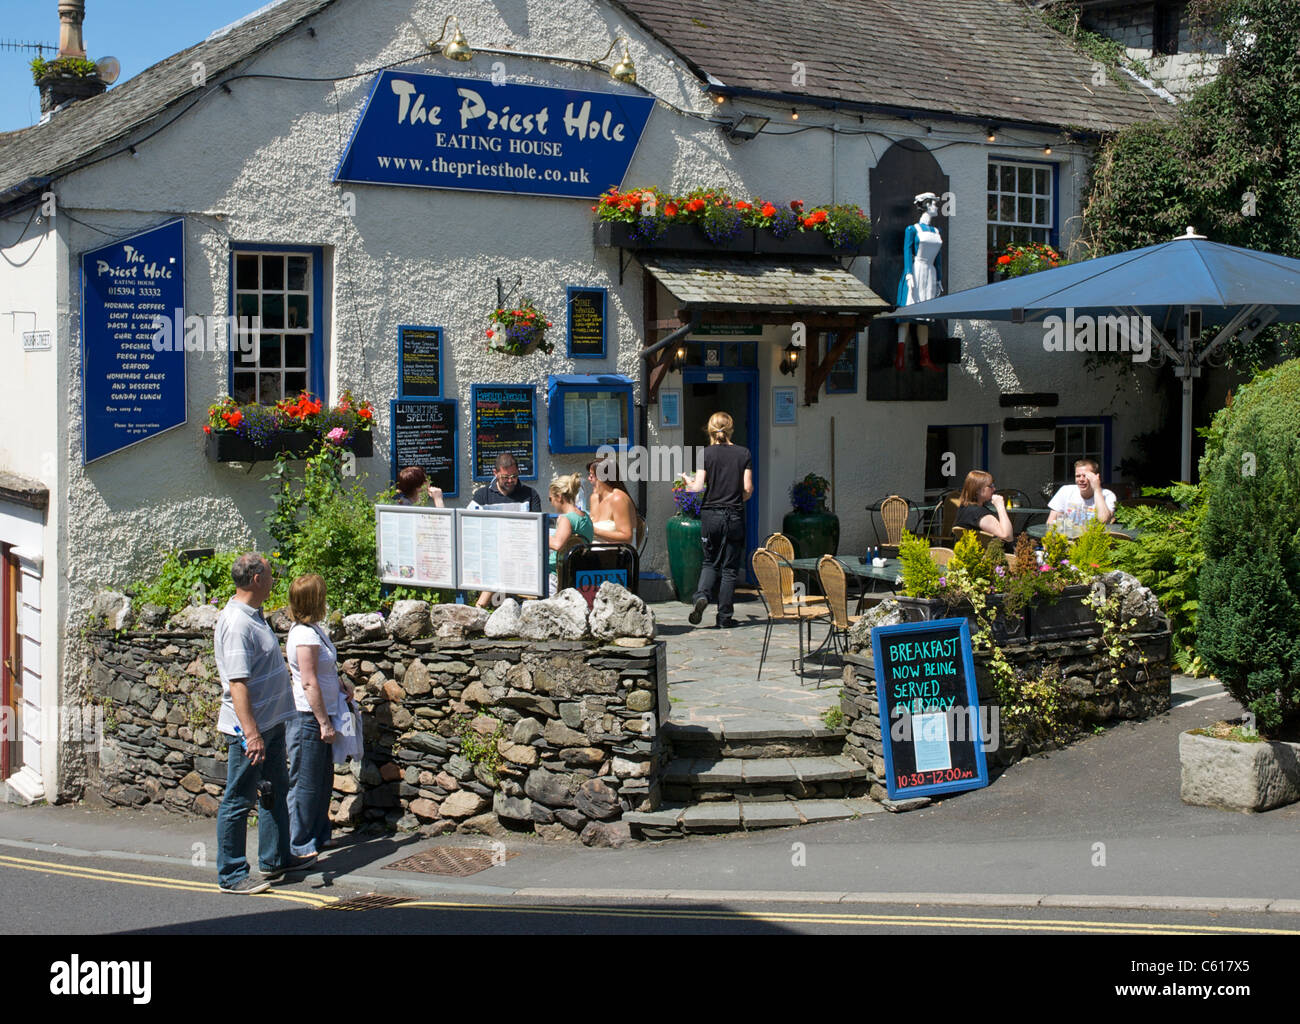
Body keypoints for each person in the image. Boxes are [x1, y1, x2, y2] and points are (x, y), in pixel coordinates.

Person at [213, 552, 299, 894]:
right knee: (239, 798)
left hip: (271, 723)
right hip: (251, 730)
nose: (275, 579)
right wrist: (251, 734)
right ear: (257, 579)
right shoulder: (237, 623)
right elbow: (237, 684)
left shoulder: (252, 615)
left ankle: (276, 858)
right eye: (270, 573)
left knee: (275, 791)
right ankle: (232, 874)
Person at [285, 573, 354, 861]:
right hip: (308, 716)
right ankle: (299, 843)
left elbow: (323, 671)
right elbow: (308, 681)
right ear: (315, 599)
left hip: (322, 712)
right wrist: (323, 721)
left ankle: (320, 833)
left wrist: (340, 685)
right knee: (306, 781)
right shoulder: (302, 635)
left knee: (322, 778)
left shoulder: (313, 629)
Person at [683, 411, 753, 628]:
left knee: (709, 562)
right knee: (730, 569)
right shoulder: (744, 453)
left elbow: (697, 488)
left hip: (711, 515)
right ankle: (724, 618)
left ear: (710, 430)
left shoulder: (706, 454)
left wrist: (687, 481)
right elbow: (748, 489)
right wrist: (735, 497)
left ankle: (702, 596)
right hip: (733, 515)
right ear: (730, 429)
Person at [471, 454, 542, 608]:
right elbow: (470, 524)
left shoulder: (530, 494)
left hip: (521, 550)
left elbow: (538, 527)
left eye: (514, 476)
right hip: (489, 550)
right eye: (505, 477)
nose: (510, 481)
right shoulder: (482, 495)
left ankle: (480, 606)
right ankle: (483, 605)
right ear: (495, 473)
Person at [895, 191, 944, 372]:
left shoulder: (937, 231)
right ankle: (900, 355)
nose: (936, 207)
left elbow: (938, 258)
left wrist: (938, 278)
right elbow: (908, 252)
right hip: (917, 270)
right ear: (926, 205)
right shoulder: (912, 229)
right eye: (934, 203)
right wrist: (909, 273)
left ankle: (925, 357)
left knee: (925, 316)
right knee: (909, 309)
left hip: (930, 273)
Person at [547, 473, 594, 593]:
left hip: (556, 576)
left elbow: (558, 544)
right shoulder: (586, 517)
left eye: (550, 499)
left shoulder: (566, 519)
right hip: (577, 573)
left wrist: (538, 535)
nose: (551, 503)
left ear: (559, 497)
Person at [1047, 458, 1117, 528]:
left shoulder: (1108, 495)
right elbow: (1051, 522)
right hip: (1068, 537)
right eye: (1078, 476)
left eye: (1085, 476)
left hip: (1093, 537)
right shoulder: (1065, 491)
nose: (1081, 479)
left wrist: (1097, 489)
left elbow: (1104, 520)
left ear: (1096, 477)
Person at [588, 454, 638, 546]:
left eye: (592, 476)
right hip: (594, 554)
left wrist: (593, 530)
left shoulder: (618, 499)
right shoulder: (594, 498)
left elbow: (627, 538)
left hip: (617, 555)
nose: (589, 479)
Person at [954, 470, 1013, 542]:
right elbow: (1007, 536)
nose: (994, 489)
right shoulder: (978, 513)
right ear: (977, 490)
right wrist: (1000, 506)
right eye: (990, 486)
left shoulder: (965, 508)